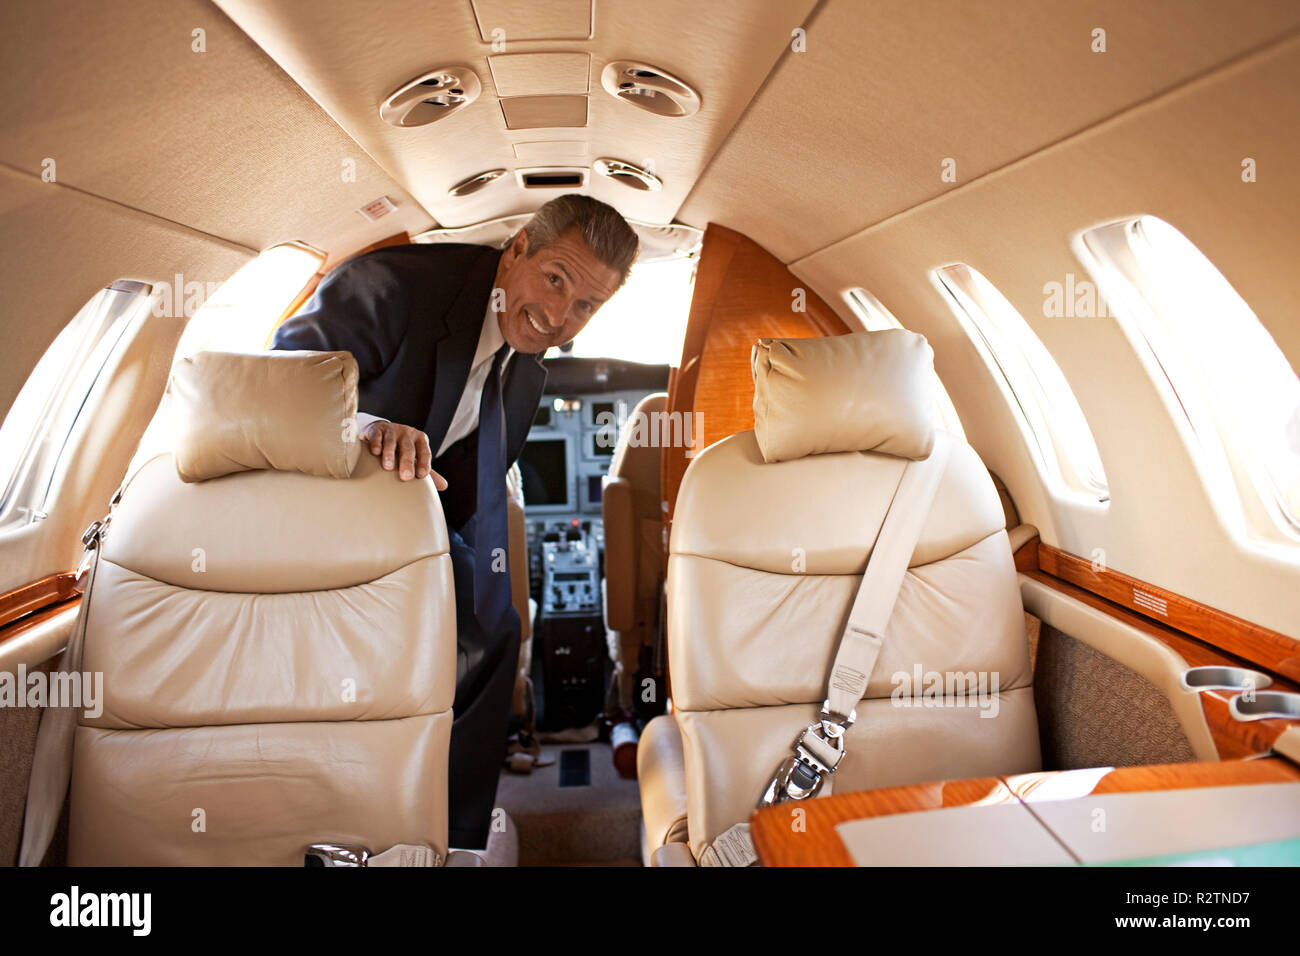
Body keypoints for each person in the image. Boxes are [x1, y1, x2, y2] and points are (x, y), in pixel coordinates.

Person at [271, 195, 638, 848]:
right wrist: (365, 426)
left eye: (586, 304)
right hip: (308, 525)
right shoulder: (392, 286)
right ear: (518, 246)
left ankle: (453, 838)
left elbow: (465, 504)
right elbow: (273, 382)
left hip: (411, 534)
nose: (559, 316)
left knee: (493, 624)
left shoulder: (527, 378)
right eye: (556, 279)